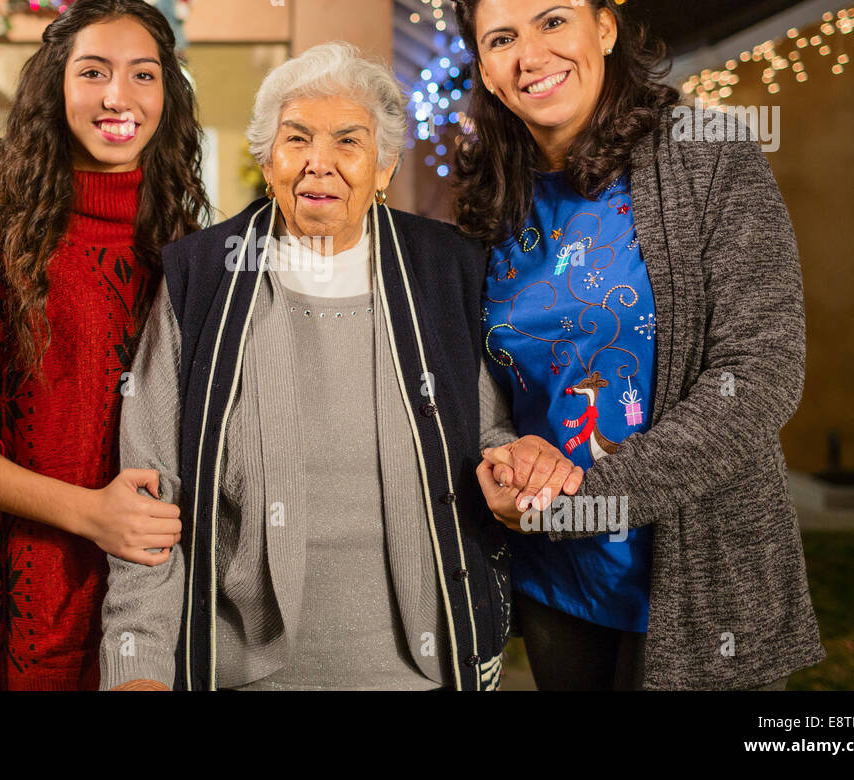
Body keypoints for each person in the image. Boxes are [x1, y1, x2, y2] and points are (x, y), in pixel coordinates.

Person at [98, 42, 581, 691]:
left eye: (347, 142)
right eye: (295, 140)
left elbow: (488, 435)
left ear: (383, 168)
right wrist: (140, 669)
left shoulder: (446, 270)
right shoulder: (203, 276)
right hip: (247, 674)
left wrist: (517, 467)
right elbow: (149, 494)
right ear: (268, 162)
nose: (317, 164)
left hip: (425, 671)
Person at [451, 0, 825, 690]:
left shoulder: (707, 157)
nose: (532, 56)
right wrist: (502, 453)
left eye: (554, 22)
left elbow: (762, 373)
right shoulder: (492, 200)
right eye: (501, 40)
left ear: (606, 27)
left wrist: (592, 496)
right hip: (557, 577)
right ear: (486, 72)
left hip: (701, 572)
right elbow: (476, 367)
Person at [0, 0, 209, 690]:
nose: (117, 96)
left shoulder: (193, 251)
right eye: (92, 72)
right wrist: (91, 513)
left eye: (143, 75)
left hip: (162, 600)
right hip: (21, 596)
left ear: (170, 97)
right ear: (56, 88)